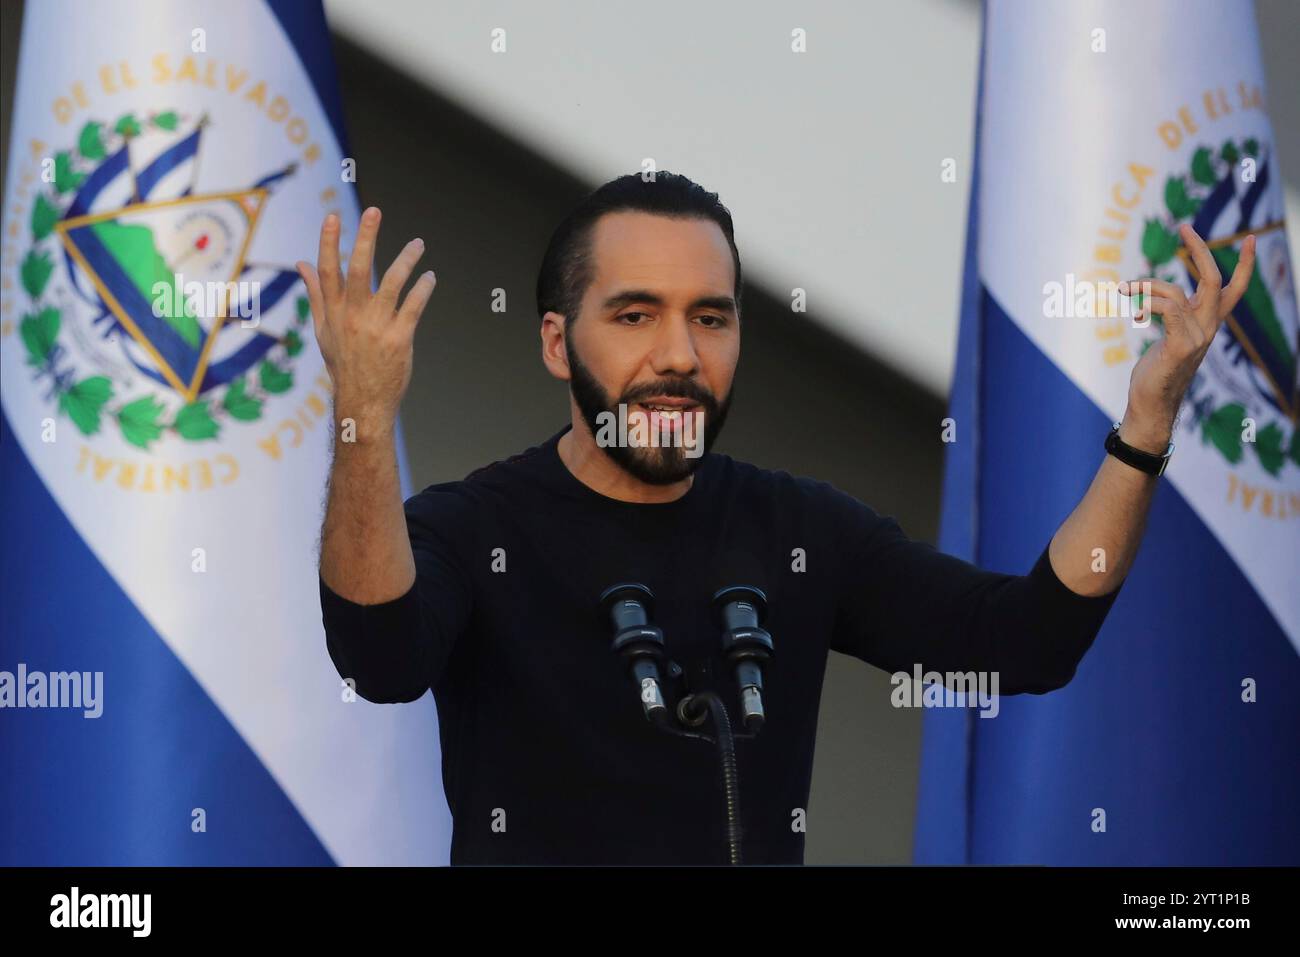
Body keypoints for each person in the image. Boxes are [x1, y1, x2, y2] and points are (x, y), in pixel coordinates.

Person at [295, 172, 1255, 865]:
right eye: (635, 316)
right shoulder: (479, 528)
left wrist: (1142, 428)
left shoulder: (800, 530)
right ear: (557, 342)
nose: (678, 353)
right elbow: (380, 657)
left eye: (710, 318)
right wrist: (365, 419)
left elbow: (1030, 643)